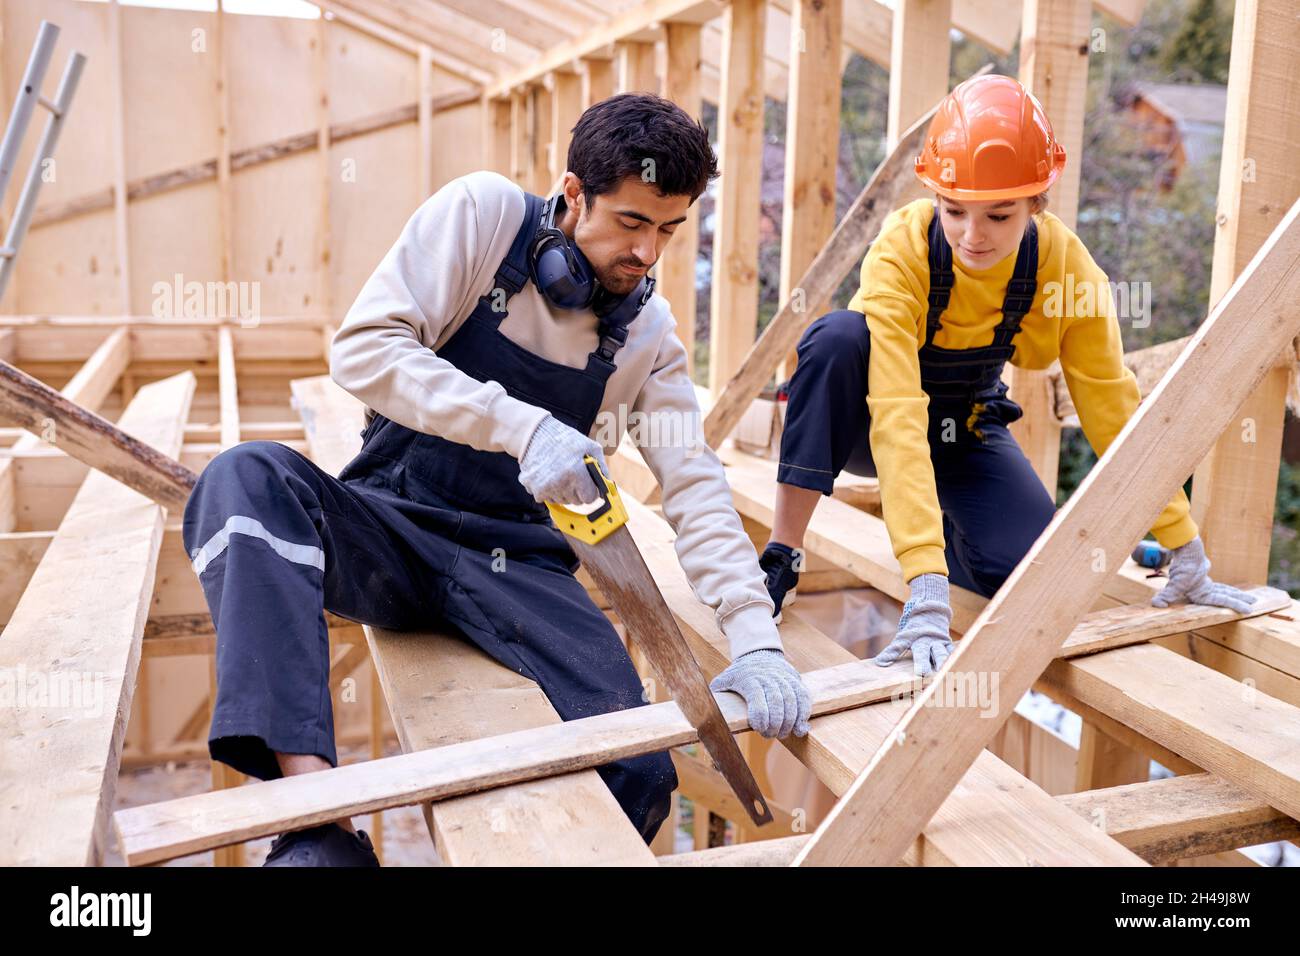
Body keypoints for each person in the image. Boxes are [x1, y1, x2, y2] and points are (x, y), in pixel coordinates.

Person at [183, 93, 812, 867]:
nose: (648, 254)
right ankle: (318, 824)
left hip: (518, 567)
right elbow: (365, 350)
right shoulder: (482, 218)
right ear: (574, 193)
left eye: (669, 231)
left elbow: (696, 485)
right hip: (394, 529)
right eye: (631, 222)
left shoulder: (648, 336)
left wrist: (755, 637)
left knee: (639, 769)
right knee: (245, 479)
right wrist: (523, 427)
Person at [759, 74, 1255, 679]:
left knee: (1023, 572)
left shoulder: (1066, 269)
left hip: (965, 428)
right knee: (838, 336)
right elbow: (895, 408)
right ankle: (783, 556)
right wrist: (923, 587)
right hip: (868, 426)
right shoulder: (903, 251)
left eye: (998, 214)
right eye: (954, 211)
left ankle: (951, 523)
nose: (973, 235)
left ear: (1036, 204)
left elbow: (1113, 407)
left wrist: (1183, 542)